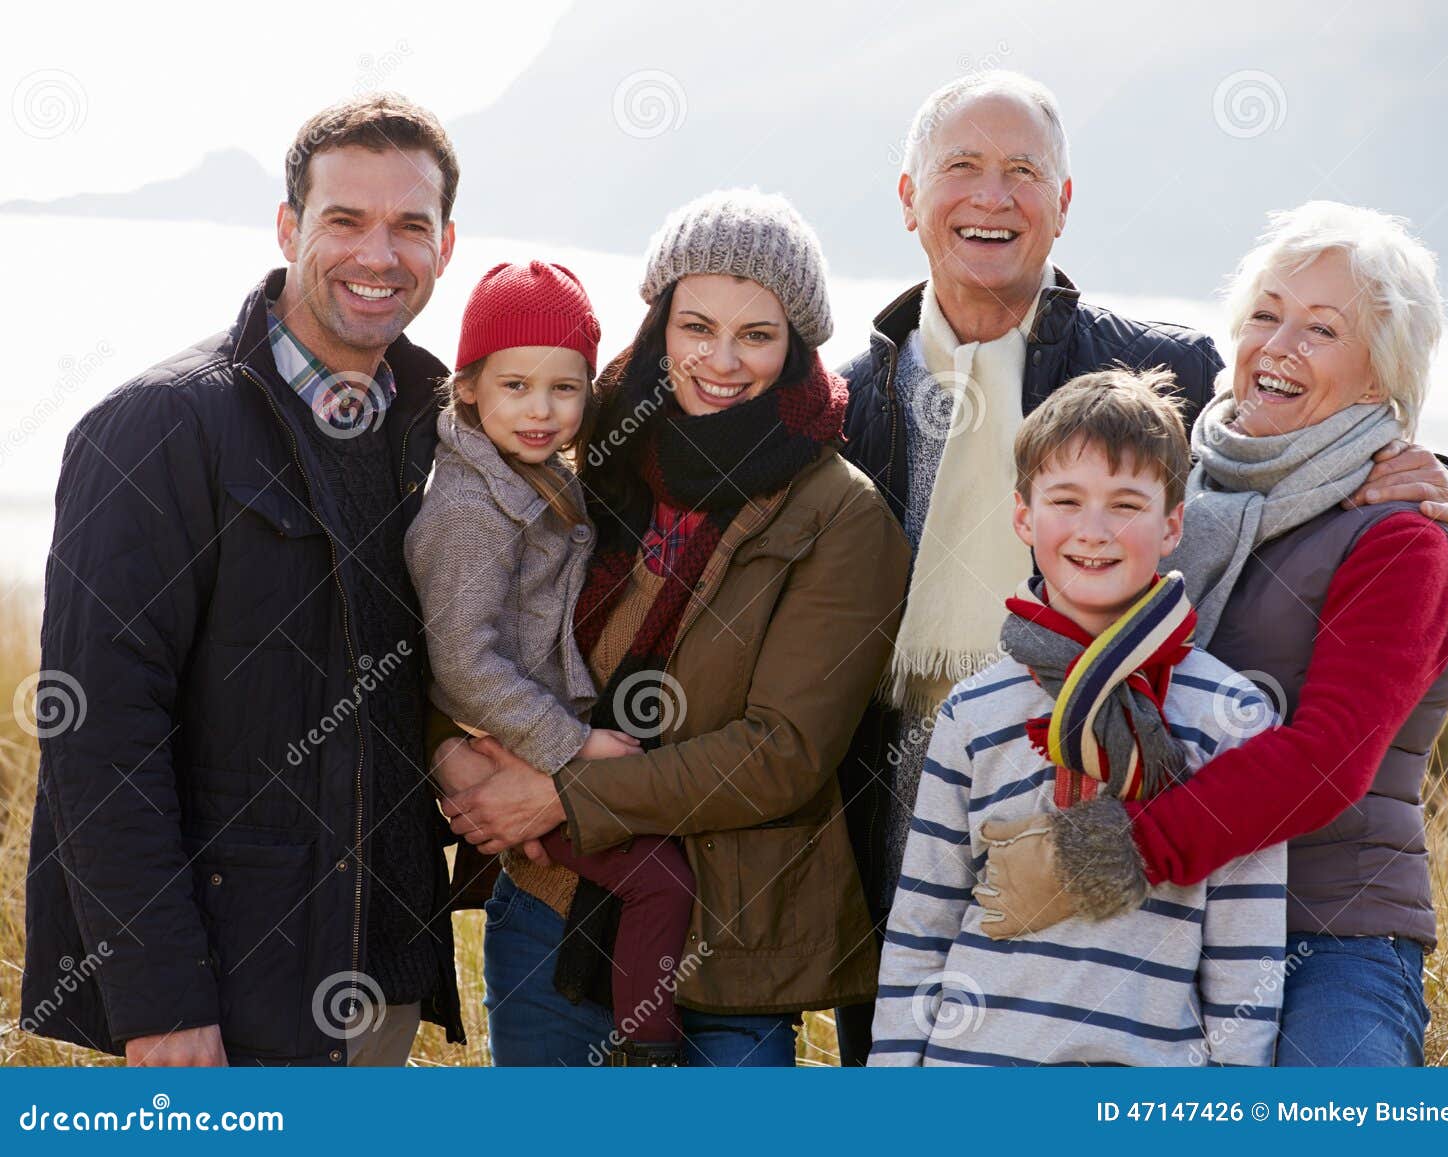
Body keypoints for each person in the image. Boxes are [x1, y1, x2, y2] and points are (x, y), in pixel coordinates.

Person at [831, 70, 1448, 1064]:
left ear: (1063, 204)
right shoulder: (848, 404)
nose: (991, 196)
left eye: (1023, 172)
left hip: (1282, 917)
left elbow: (1328, 742)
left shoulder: (1159, 384)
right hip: (977, 856)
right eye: (960, 167)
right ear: (906, 197)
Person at [977, 201, 1448, 1066]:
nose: (1278, 346)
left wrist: (1113, 857)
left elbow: (1324, 761)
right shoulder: (1173, 502)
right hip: (1162, 924)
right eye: (1265, 314)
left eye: (1322, 328)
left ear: (1379, 375)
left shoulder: (1402, 540)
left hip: (1326, 935)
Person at [22, 93, 464, 1065]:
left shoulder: (438, 435)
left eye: (409, 226)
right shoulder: (156, 429)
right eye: (344, 220)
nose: (377, 255)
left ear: (447, 243)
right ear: (288, 226)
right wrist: (160, 996)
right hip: (223, 1000)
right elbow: (98, 730)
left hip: (377, 983)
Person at [431, 189, 911, 1066]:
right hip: (548, 907)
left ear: (797, 343)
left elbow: (782, 753)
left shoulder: (843, 516)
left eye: (756, 335)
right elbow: (462, 625)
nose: (720, 360)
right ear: (660, 325)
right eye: (696, 326)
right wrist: (451, 753)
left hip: (726, 946)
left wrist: (564, 790)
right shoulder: (592, 447)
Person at [870, 368, 1285, 1065]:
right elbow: (923, 922)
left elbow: (1245, 953)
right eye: (1066, 499)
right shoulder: (973, 712)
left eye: (1127, 503)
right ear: (1024, 516)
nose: (1094, 530)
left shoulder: (1232, 717)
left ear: (1173, 522)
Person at [404, 259, 696, 1065]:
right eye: (516, 386)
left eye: (564, 389)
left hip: (532, 742)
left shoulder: (537, 476)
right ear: (469, 387)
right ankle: (652, 1052)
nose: (541, 410)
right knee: (660, 882)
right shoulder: (470, 508)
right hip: (525, 743)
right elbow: (461, 666)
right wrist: (575, 748)